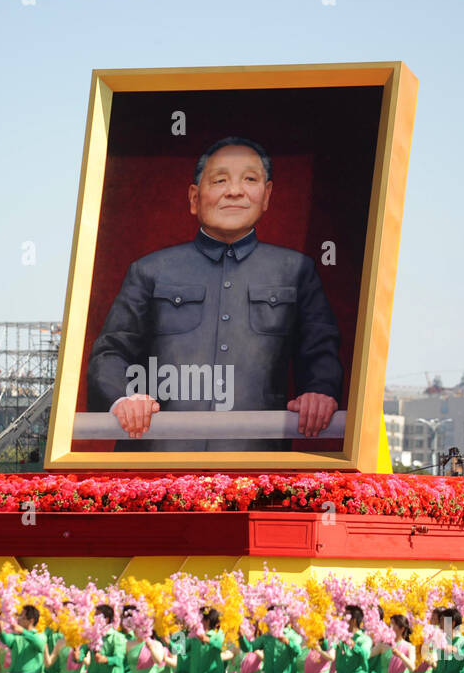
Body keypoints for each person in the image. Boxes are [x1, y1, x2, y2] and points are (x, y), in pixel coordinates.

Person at [86, 136, 344, 452]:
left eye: (250, 179)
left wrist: (319, 391)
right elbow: (110, 353)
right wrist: (124, 397)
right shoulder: (149, 270)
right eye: (220, 180)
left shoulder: (297, 271)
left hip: (257, 469)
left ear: (267, 195)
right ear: (194, 197)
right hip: (155, 470)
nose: (234, 191)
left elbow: (320, 351)